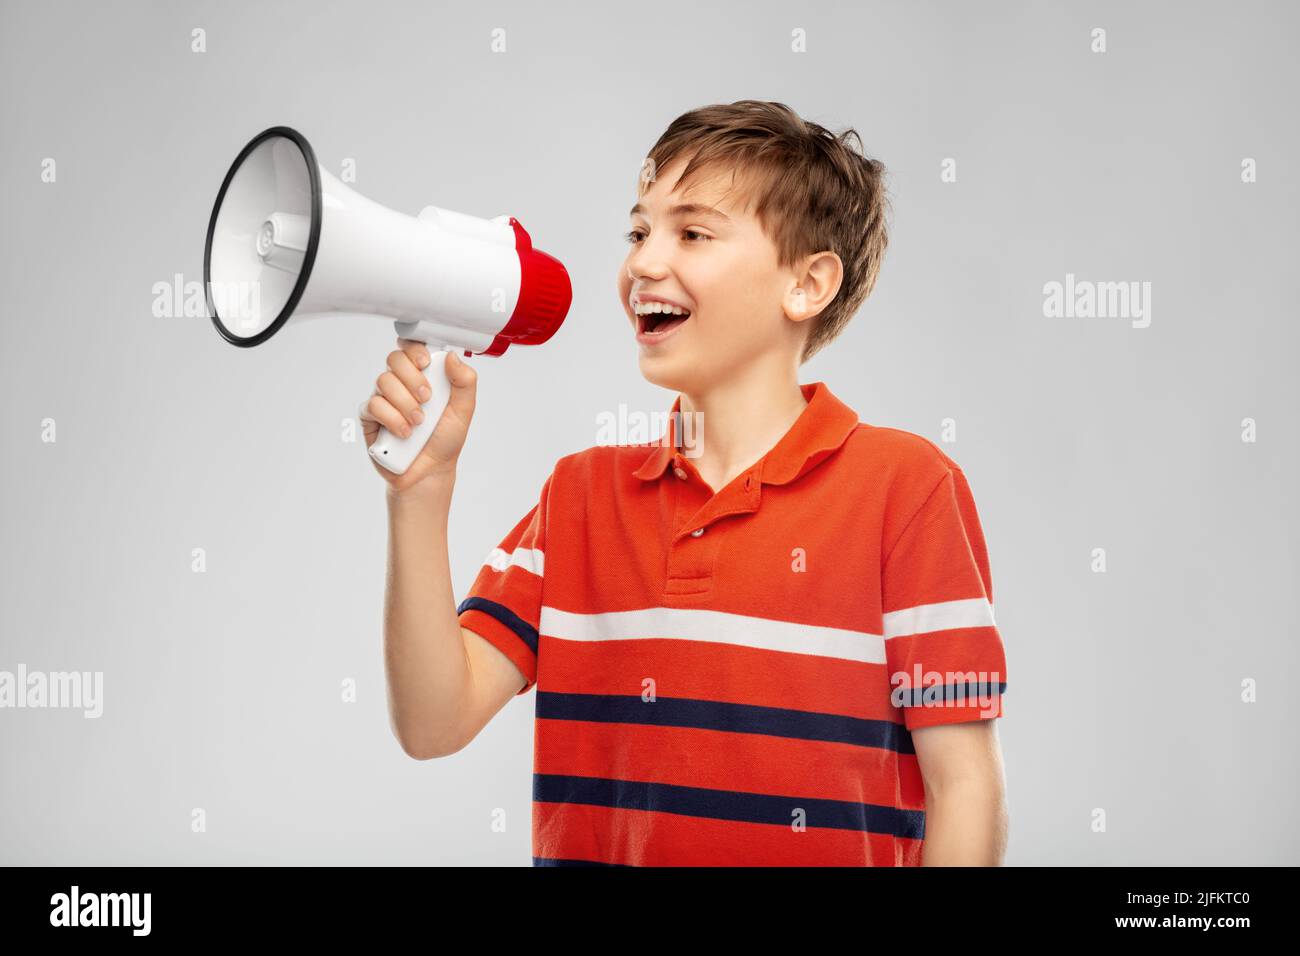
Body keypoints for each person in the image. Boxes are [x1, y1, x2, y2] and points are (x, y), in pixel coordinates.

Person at [361, 100, 1008, 866]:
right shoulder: (579, 498)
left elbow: (965, 785)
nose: (641, 262)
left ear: (807, 285)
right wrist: (419, 494)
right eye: (638, 232)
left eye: (692, 233)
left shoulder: (908, 490)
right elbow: (434, 724)